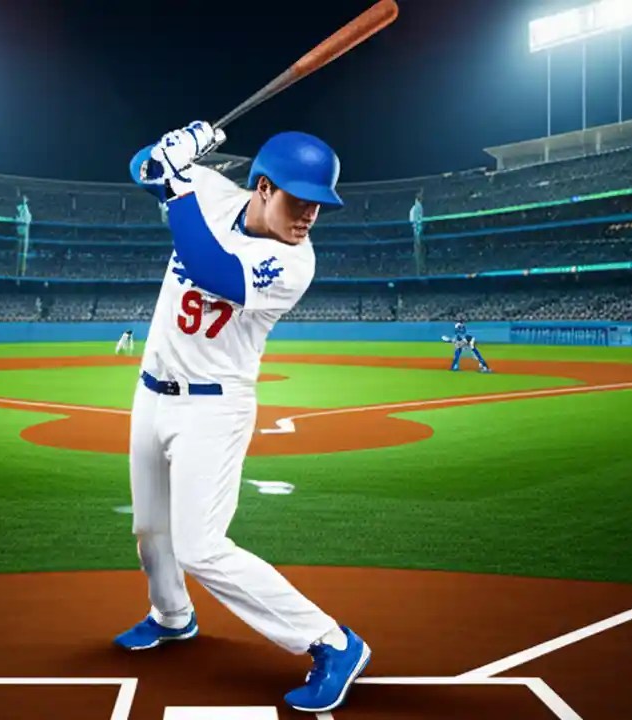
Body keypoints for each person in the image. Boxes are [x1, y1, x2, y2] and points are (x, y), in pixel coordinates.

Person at [116, 121, 371, 714]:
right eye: (298, 200)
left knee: (200, 545)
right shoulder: (211, 190)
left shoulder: (294, 263)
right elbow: (139, 167)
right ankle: (173, 616)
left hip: (214, 406)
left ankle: (332, 641)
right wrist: (175, 148)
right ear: (261, 187)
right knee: (152, 530)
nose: (309, 214)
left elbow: (212, 270)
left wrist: (177, 182)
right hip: (152, 392)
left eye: (318, 205)